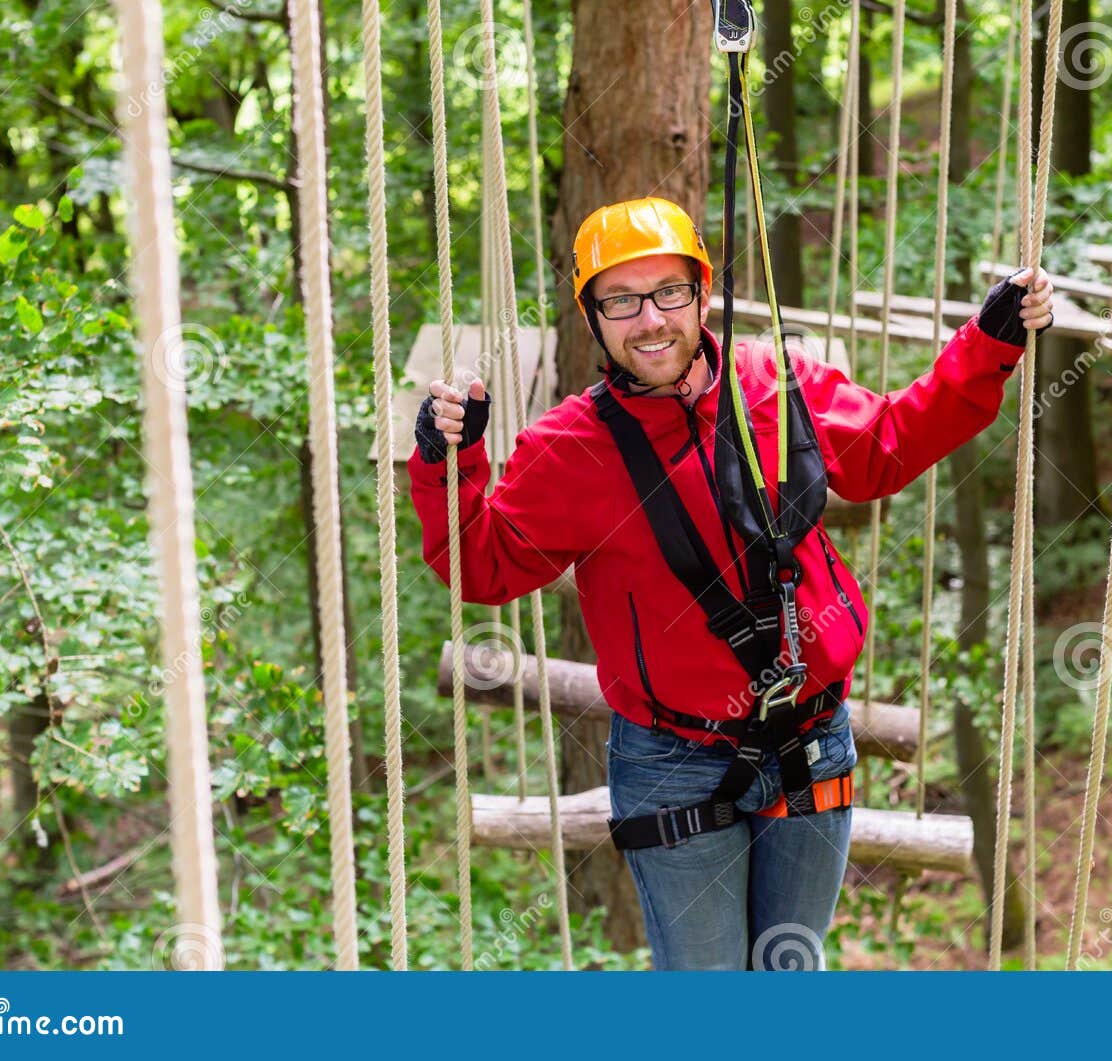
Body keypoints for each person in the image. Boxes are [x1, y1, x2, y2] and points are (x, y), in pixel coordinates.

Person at [409, 196, 1053, 970]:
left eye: (668, 292)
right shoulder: (568, 450)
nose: (649, 320)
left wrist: (989, 345)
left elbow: (888, 443)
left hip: (808, 737)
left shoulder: (774, 385)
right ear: (593, 318)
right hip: (672, 761)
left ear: (701, 294)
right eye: (621, 300)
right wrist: (449, 463)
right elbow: (481, 564)